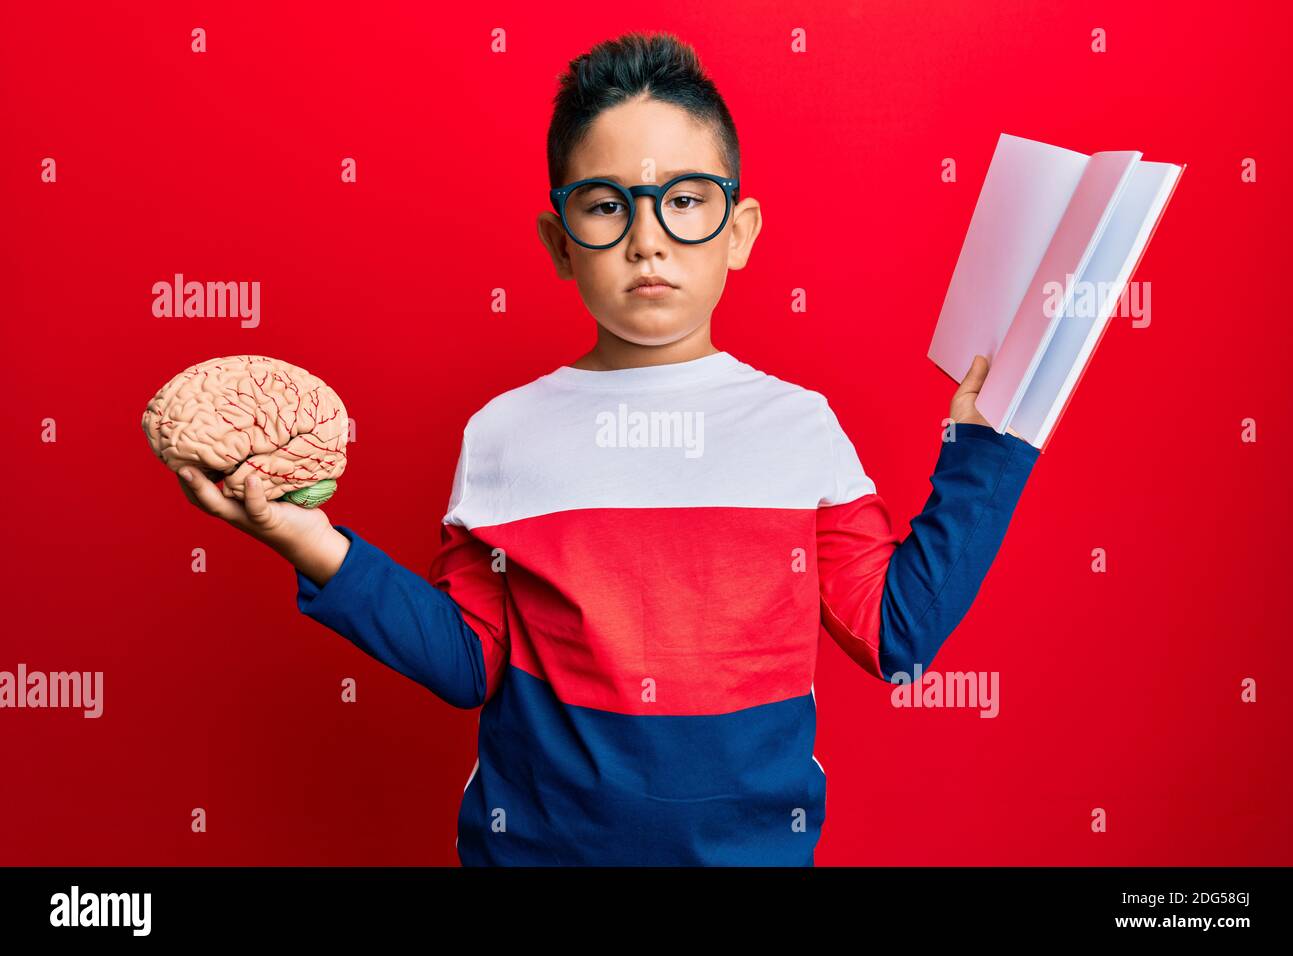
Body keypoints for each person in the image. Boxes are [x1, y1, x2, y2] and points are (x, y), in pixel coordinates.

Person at [175, 31, 1039, 866]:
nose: (648, 238)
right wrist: (301, 539)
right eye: (604, 204)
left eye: (687, 200)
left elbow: (899, 635)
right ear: (559, 242)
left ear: (739, 231)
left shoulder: (797, 425)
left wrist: (985, 450)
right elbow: (468, 660)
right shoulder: (503, 433)